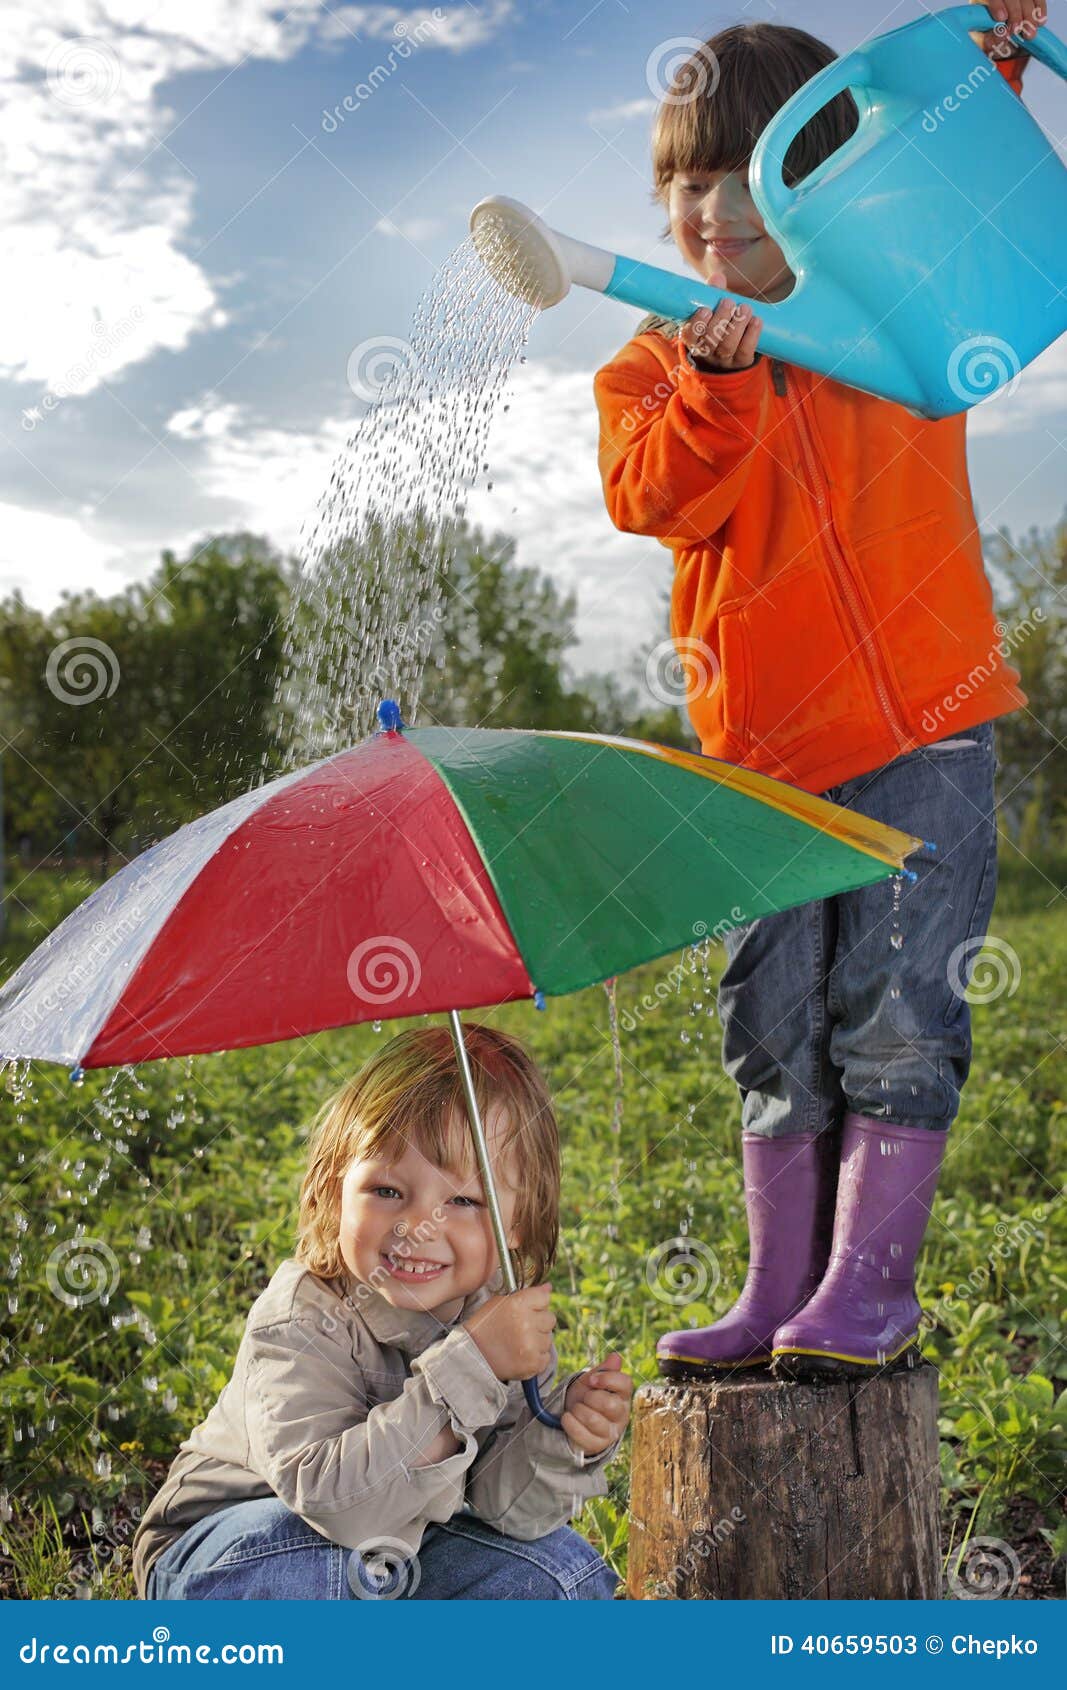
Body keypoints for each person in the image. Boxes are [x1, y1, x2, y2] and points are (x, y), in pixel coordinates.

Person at [593, 1, 1043, 1377]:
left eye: (746, 177)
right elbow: (653, 498)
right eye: (683, 180)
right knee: (772, 1025)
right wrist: (718, 390)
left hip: (918, 726)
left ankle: (868, 1288)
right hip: (758, 764)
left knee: (898, 1009)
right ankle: (774, 1286)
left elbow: (963, 185)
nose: (709, 209)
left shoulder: (897, 309)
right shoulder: (648, 363)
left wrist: (995, 61)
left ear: (828, 184)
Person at [132, 1025, 631, 1599]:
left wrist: (564, 1434)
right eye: (387, 1191)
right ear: (333, 1187)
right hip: (229, 1549)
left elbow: (505, 1510)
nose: (417, 1227)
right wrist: (470, 1365)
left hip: (396, 1548)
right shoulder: (303, 1316)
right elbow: (336, 1506)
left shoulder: (503, 1317)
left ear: (516, 1222)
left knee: (561, 1572)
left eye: (464, 1201)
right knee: (338, 1574)